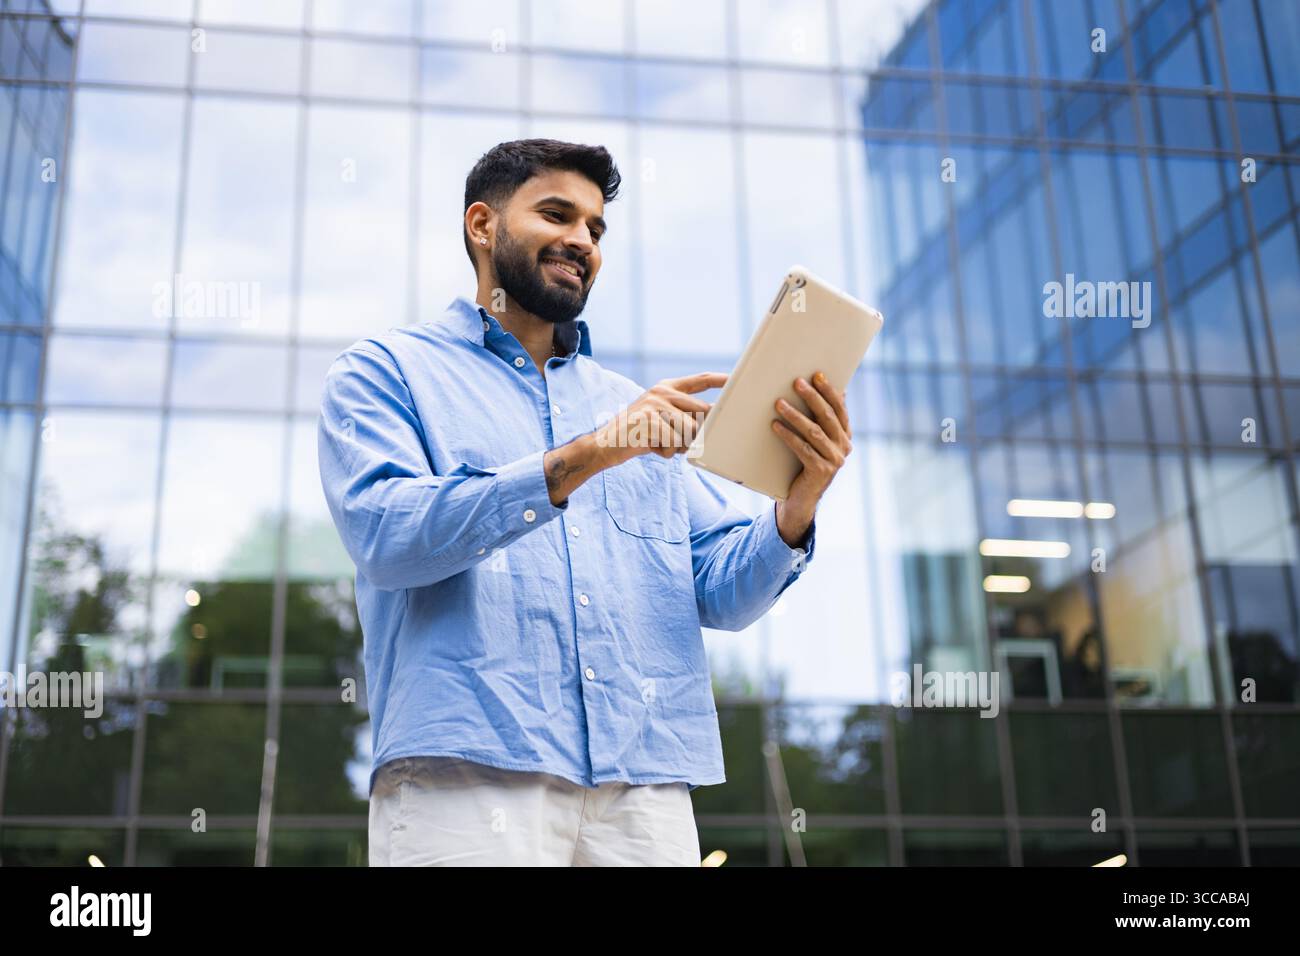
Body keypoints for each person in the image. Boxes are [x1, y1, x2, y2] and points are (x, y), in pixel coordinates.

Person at [317, 138, 853, 866]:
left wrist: (797, 509)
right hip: (467, 775)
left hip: (645, 786)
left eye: (596, 228)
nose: (582, 240)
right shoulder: (386, 373)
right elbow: (388, 535)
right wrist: (589, 455)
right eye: (557, 214)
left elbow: (722, 589)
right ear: (483, 225)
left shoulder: (629, 409)